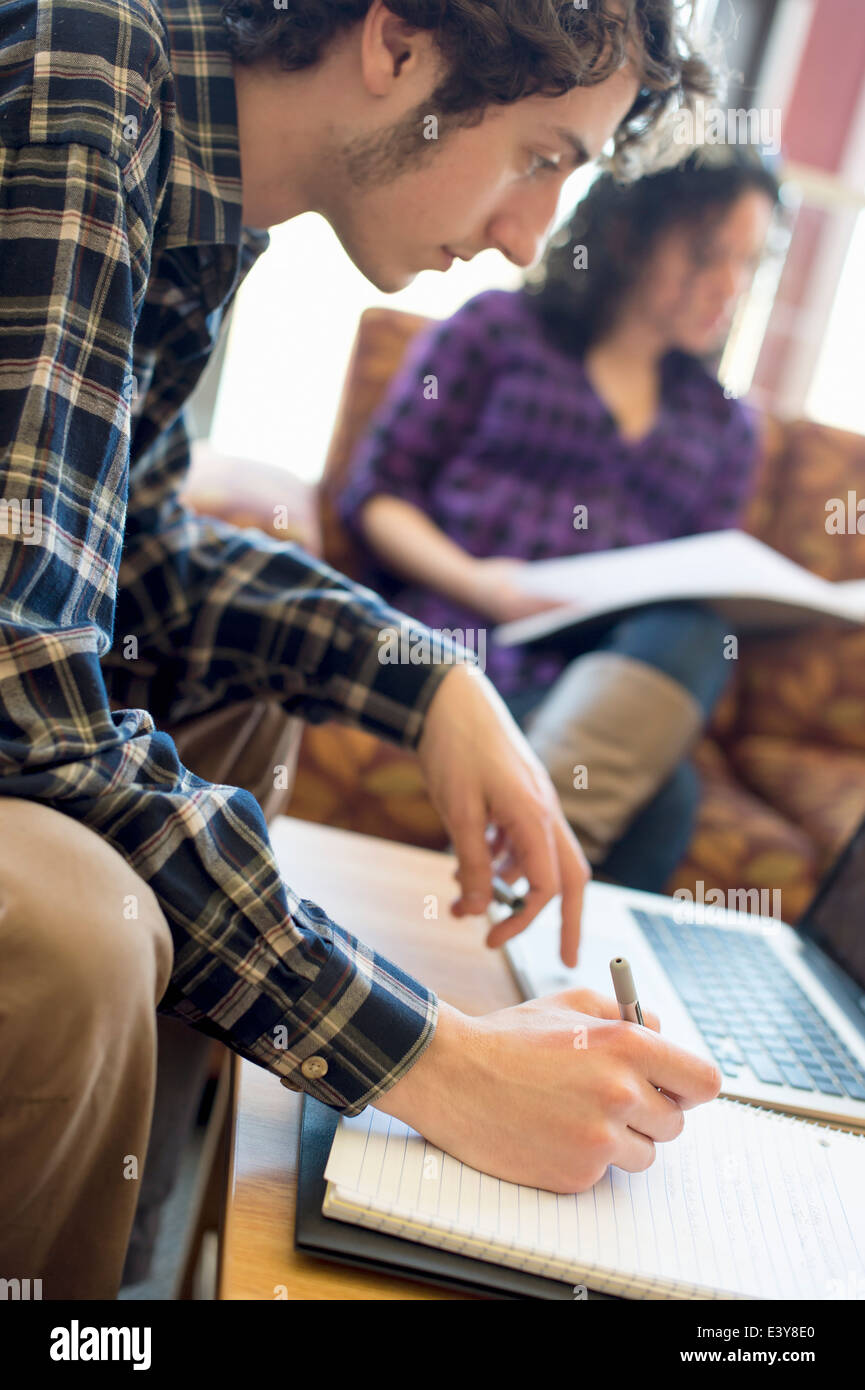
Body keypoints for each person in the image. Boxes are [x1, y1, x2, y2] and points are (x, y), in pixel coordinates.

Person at [0, 0, 721, 1298]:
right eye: (542, 157)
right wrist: (436, 1060)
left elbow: (141, 559)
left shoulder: (203, 201)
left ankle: (149, 1262)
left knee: (242, 695)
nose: (525, 237)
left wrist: (430, 679)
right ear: (395, 46)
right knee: (72, 927)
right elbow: (23, 689)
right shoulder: (84, 69)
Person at [340, 148, 779, 892]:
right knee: (664, 797)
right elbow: (377, 494)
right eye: (706, 254)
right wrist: (483, 585)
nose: (728, 287)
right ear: (628, 233)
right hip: (466, 646)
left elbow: (691, 597)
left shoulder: (725, 428)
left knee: (698, 635)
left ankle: (510, 877)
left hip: (598, 680)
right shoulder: (499, 333)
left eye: (748, 263)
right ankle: (522, 893)